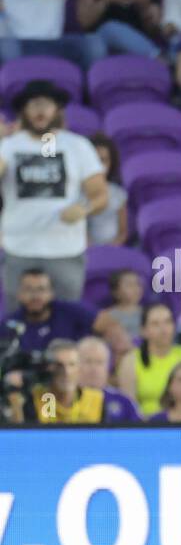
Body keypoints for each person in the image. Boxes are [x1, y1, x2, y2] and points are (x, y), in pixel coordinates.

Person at [0, 82, 108, 310]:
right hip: (19, 248)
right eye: (33, 105)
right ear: (23, 111)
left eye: (46, 104)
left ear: (57, 110)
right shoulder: (8, 147)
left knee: (68, 318)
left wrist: (85, 209)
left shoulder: (78, 146)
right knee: (17, 323)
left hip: (65, 251)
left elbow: (100, 195)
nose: (40, 110)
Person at [7, 268, 130, 357]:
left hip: (74, 377)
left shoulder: (71, 311)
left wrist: (118, 365)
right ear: (19, 294)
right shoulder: (9, 324)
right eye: (29, 290)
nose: (35, 296)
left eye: (41, 289)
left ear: (51, 293)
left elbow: (112, 327)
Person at [0, 0, 101, 69]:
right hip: (15, 44)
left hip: (54, 43)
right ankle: (14, 83)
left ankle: (78, 85)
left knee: (94, 45)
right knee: (6, 48)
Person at [117, 302, 181, 417]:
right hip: (145, 428)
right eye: (155, 324)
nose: (163, 329)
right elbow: (129, 409)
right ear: (143, 330)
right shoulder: (130, 361)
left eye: (167, 322)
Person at [74, 0, 162, 58]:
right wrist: (106, 0)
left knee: (153, 11)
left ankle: (157, 57)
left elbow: (152, 31)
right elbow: (84, 22)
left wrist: (144, 6)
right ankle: (158, 58)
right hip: (101, 39)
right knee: (110, 28)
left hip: (136, 42)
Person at [87, 134, 129, 248]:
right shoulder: (79, 193)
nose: (99, 165)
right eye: (94, 160)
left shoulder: (119, 194)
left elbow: (123, 232)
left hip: (114, 251)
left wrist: (112, 248)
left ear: (111, 163)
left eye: (103, 160)